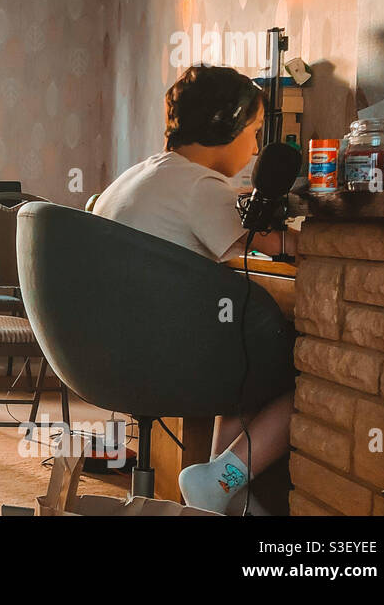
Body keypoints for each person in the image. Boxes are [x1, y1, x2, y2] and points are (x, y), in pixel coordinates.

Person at [93, 65, 297, 514]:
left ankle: (223, 489)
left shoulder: (140, 174)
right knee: (304, 377)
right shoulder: (201, 186)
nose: (257, 147)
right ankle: (225, 480)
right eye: (255, 131)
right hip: (158, 358)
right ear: (227, 125)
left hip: (100, 353)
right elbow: (276, 245)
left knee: (241, 354)